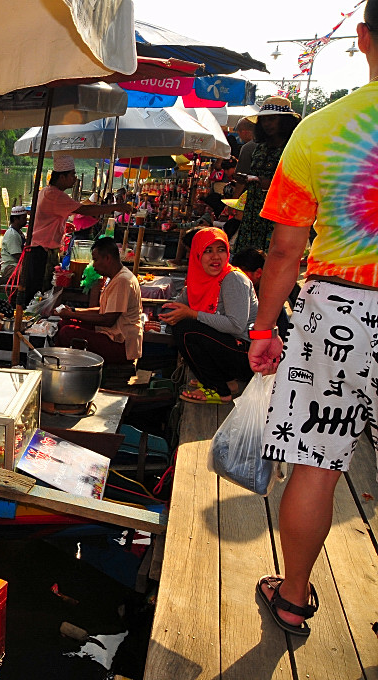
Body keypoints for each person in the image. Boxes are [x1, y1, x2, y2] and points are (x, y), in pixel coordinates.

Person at [248, 6, 378, 638]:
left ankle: (293, 598)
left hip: (335, 310)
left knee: (317, 462)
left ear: (362, 39)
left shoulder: (321, 130)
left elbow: (283, 251)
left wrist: (263, 327)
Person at [149, 228, 256, 403]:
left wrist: (192, 314)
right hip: (228, 348)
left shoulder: (233, 279)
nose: (215, 257)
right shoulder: (198, 278)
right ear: (197, 254)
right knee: (181, 325)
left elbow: (236, 325)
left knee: (187, 329)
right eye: (208, 251)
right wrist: (164, 316)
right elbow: (178, 306)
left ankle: (220, 390)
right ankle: (228, 383)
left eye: (220, 250)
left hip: (246, 354)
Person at [25, 154, 133, 297]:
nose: (75, 178)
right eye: (72, 175)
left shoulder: (47, 191)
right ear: (62, 177)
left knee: (45, 290)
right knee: (40, 292)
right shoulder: (54, 195)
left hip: (43, 249)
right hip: (41, 251)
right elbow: (85, 210)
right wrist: (116, 207)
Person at [55, 236, 143, 365]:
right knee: (64, 323)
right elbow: (103, 310)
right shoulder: (115, 277)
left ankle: (68, 369)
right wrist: (73, 312)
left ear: (107, 258)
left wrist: (73, 314)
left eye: (95, 260)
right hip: (111, 334)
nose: (93, 265)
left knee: (67, 333)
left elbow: (108, 319)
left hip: (121, 344)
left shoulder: (123, 280)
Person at [232, 97, 301, 253]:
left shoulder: (293, 147)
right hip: (253, 212)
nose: (267, 124)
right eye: (264, 120)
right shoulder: (259, 148)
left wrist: (262, 181)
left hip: (278, 213)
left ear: (285, 121)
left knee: (273, 257)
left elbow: (296, 184)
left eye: (272, 119)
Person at [0, 206, 27, 288]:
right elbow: (18, 255)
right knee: (27, 272)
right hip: (10, 266)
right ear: (15, 219)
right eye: (23, 218)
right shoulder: (12, 234)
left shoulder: (19, 232)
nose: (26, 220)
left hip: (15, 264)